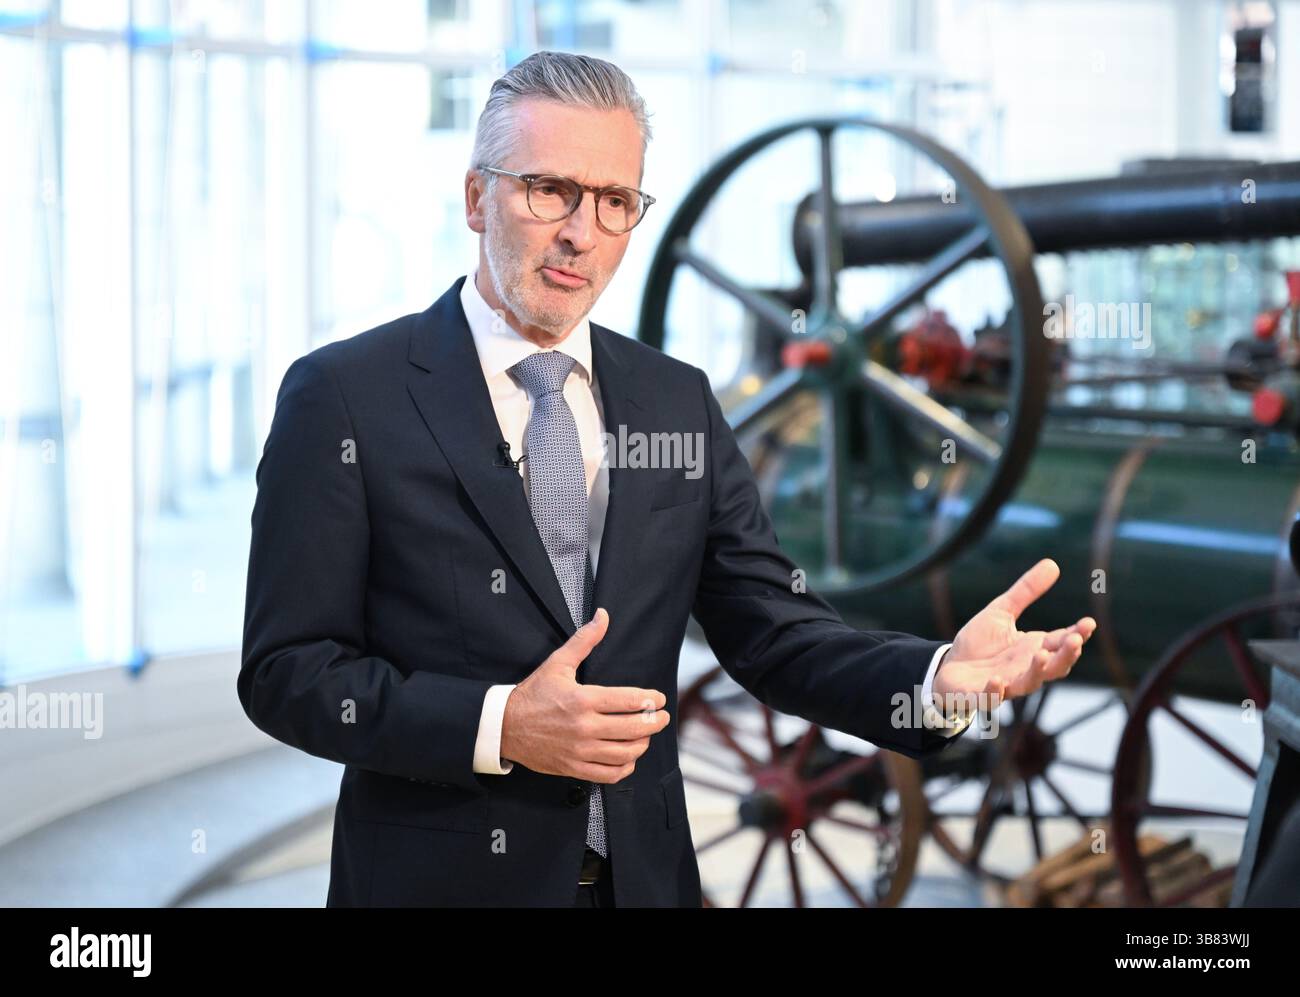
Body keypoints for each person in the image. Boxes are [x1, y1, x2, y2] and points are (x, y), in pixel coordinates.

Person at [238, 50, 1096, 908]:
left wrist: (935, 679)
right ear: (475, 198)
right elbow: (288, 669)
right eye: (550, 190)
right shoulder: (347, 397)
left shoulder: (673, 399)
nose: (582, 231)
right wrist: (499, 725)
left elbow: (773, 631)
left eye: (615, 202)